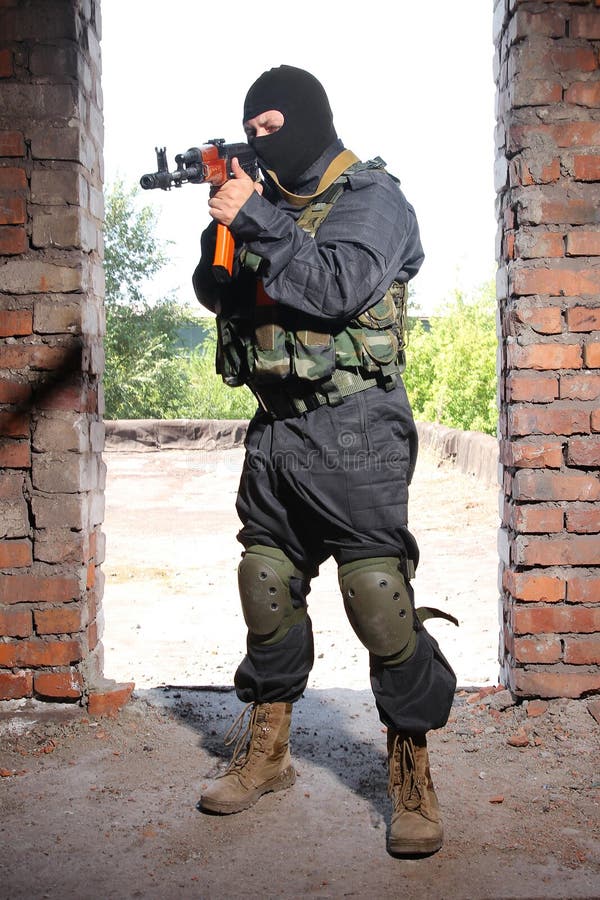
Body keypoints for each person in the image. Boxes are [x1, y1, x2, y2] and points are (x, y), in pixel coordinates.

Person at [192, 65, 457, 857]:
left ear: (311, 119)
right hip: (275, 428)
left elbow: (339, 286)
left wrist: (261, 217)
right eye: (253, 131)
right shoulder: (262, 199)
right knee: (265, 585)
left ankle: (411, 767)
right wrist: (225, 228)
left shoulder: (374, 198)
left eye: (274, 128)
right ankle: (268, 750)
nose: (262, 142)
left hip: (358, 428)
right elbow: (218, 293)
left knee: (377, 598)